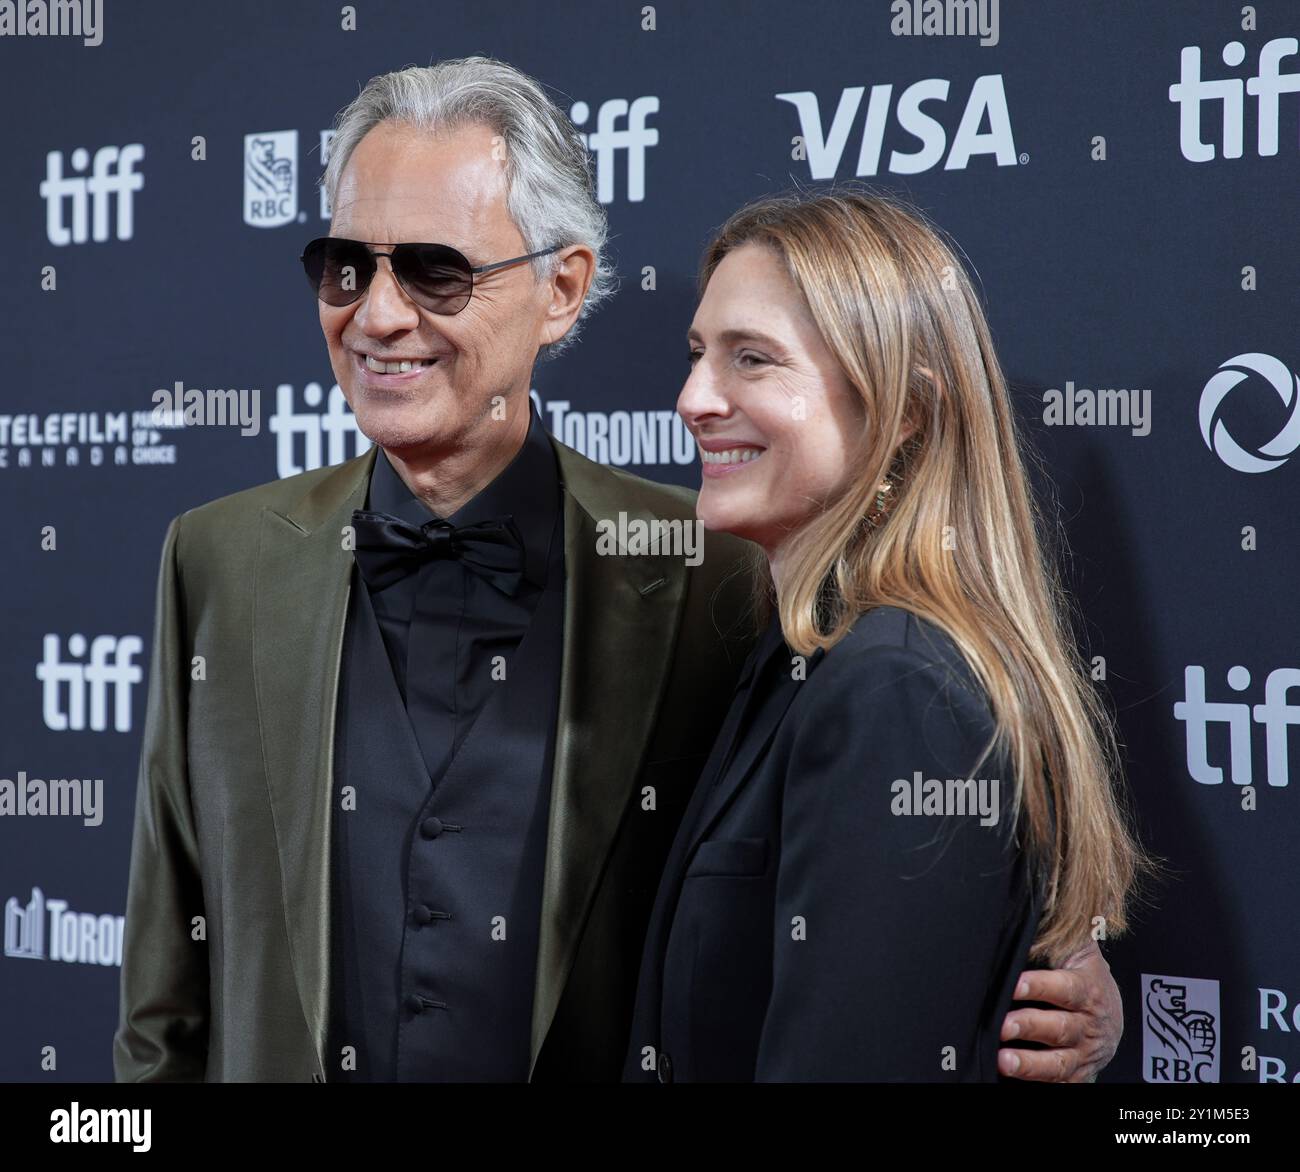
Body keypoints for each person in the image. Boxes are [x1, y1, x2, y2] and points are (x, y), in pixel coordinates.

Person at [113, 58, 1121, 1084]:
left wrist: (1041, 968)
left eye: (433, 270)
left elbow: (875, 894)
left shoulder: (717, 573)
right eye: (345, 267)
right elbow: (164, 1003)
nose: (375, 315)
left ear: (562, 289)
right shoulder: (219, 561)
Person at [625, 189, 1145, 1082]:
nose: (693, 399)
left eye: (753, 359)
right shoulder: (806, 656)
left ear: (904, 408)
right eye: (699, 354)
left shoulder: (893, 690)